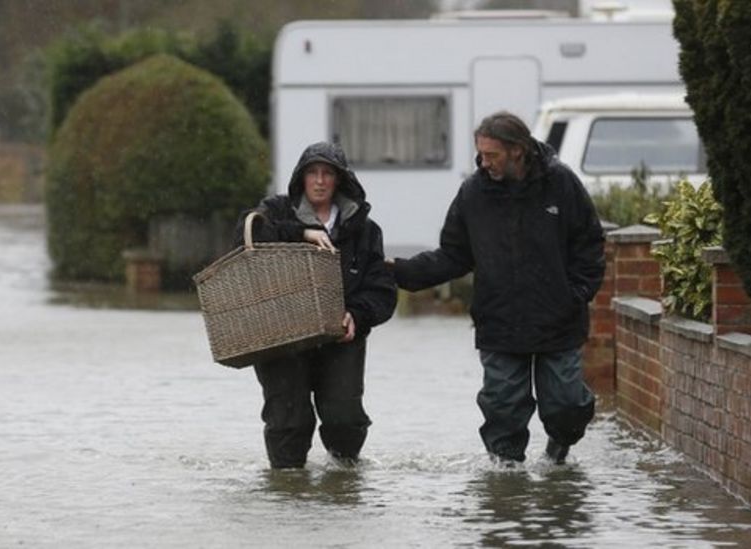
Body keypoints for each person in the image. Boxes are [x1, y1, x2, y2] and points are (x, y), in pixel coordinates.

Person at [390, 111, 605, 465]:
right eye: (481, 154)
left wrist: (578, 293)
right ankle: (505, 481)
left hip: (559, 319)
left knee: (567, 406)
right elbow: (453, 255)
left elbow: (590, 242)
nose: (483, 162)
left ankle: (559, 447)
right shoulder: (474, 193)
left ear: (517, 151)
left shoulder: (561, 183)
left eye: (492, 155)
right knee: (503, 407)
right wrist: (401, 272)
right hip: (499, 321)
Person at [234, 141, 397, 469]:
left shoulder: (366, 230)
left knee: (345, 419)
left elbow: (381, 289)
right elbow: (245, 236)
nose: (320, 181)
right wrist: (302, 233)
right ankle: (288, 491)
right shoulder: (276, 210)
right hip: (281, 338)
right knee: (288, 421)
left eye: (327, 174)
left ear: (340, 180)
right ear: (301, 178)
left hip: (340, 338)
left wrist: (358, 315)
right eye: (312, 173)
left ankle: (344, 482)